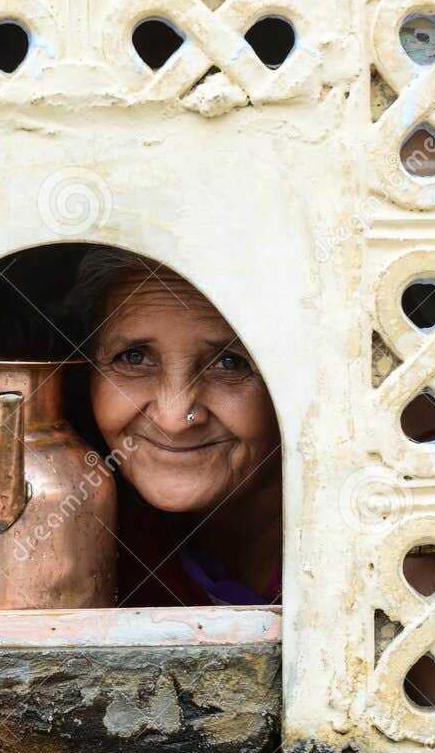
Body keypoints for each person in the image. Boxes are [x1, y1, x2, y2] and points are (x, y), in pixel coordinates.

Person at [72, 248, 282, 608]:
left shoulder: (392, 537)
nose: (174, 419)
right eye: (134, 357)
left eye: (230, 363)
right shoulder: (86, 526)